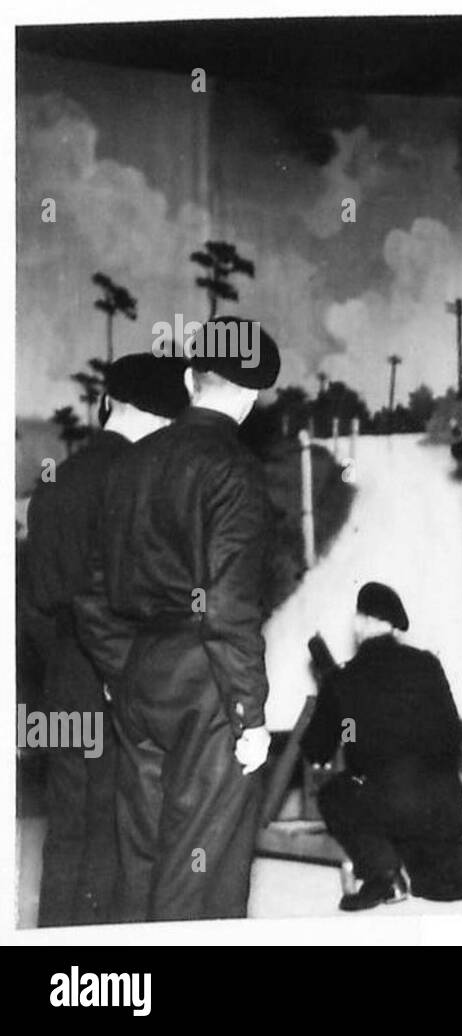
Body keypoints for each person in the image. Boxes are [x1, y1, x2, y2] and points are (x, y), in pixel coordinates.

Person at [75, 316, 280, 922]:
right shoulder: (234, 470)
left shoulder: (129, 464)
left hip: (139, 674)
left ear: (192, 377)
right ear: (249, 398)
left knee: (141, 851)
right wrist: (250, 713)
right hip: (207, 683)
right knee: (201, 861)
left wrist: (121, 670)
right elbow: (229, 607)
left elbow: (90, 592)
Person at [27, 352, 189, 926]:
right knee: (124, 833)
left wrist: (65, 662)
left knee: (68, 829)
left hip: (62, 677)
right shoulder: (144, 478)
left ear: (109, 404)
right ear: (163, 415)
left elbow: (37, 597)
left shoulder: (57, 480)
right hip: (124, 675)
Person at [302, 582, 462, 912]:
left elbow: (317, 750)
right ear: (395, 627)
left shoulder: (344, 678)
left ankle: (384, 876)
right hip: (446, 805)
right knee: (428, 878)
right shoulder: (428, 664)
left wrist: (335, 710)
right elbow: (454, 732)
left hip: (387, 803)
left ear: (361, 622)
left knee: (334, 794)